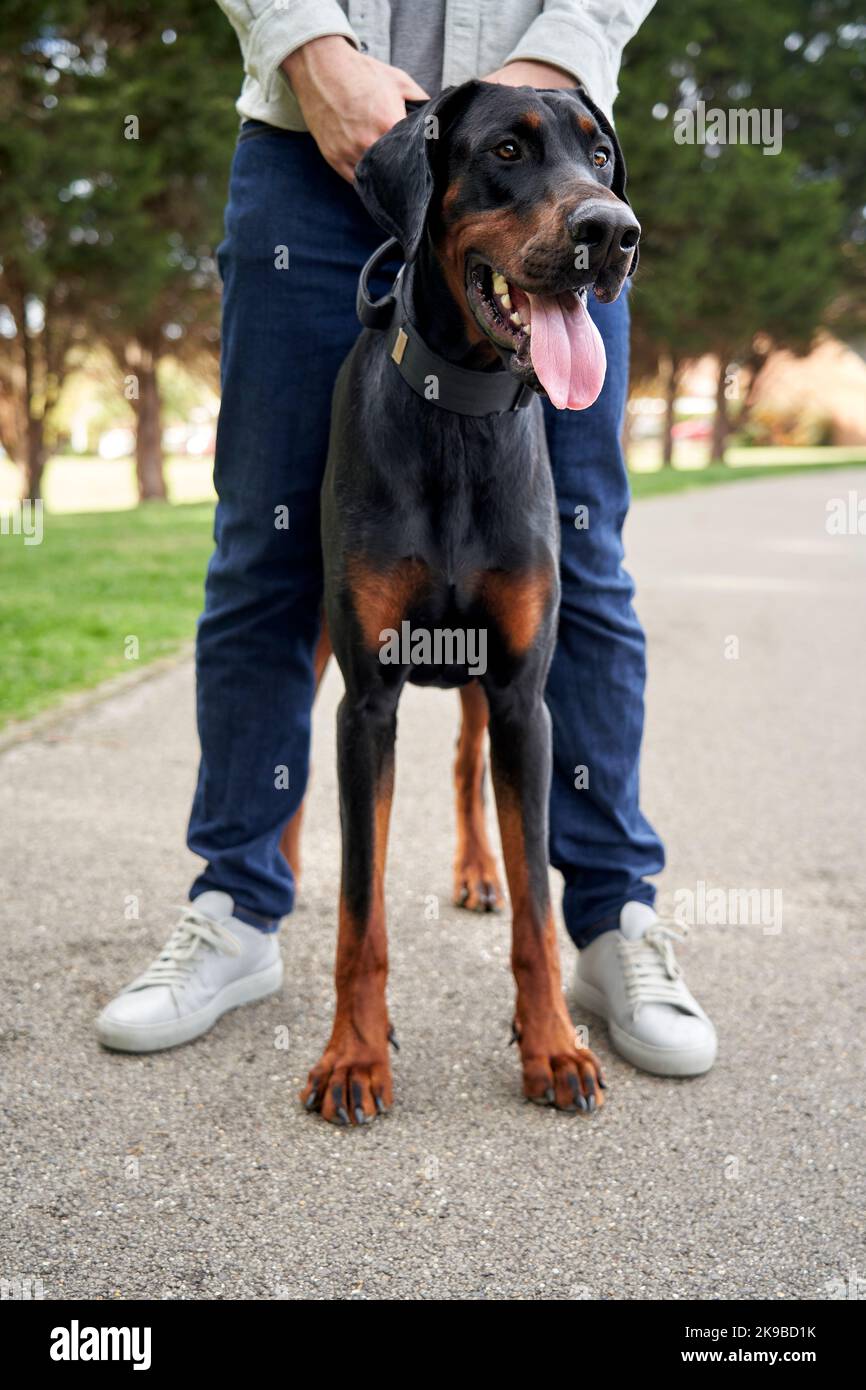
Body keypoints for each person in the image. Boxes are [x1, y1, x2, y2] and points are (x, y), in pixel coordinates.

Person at [96, 1, 717, 1078]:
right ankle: (237, 912)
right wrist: (308, 49)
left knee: (590, 571)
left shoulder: (579, 200)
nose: (617, 213)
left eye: (608, 179)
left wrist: (555, 70)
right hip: (307, 132)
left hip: (544, 93)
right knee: (262, 553)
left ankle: (608, 924)